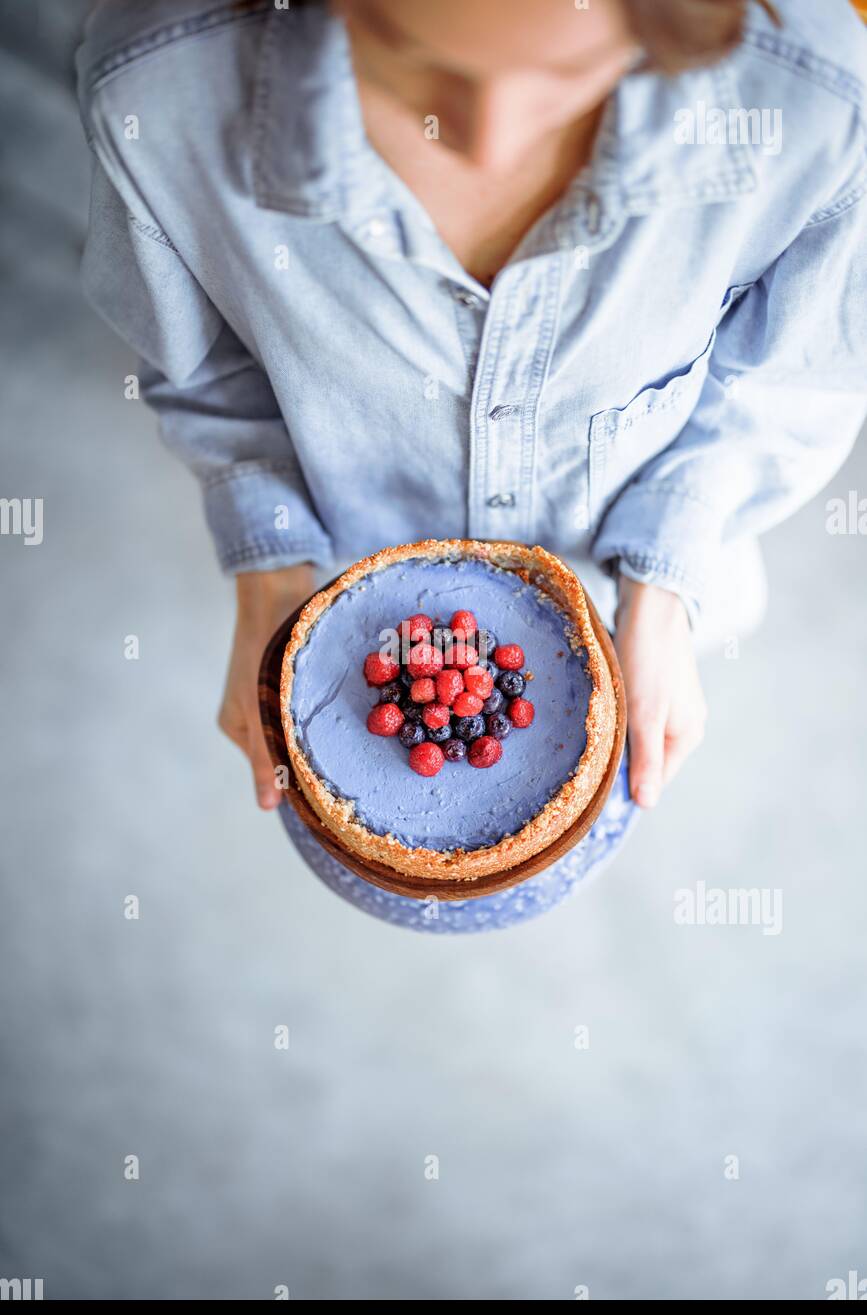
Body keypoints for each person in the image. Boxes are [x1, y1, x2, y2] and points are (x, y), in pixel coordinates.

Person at [76, 0, 867, 915]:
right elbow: (204, 369)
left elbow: (788, 384)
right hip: (346, 556)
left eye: (572, 82)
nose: (488, 143)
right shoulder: (155, 98)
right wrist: (269, 564)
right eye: (411, 63)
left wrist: (665, 582)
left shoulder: (816, 104)